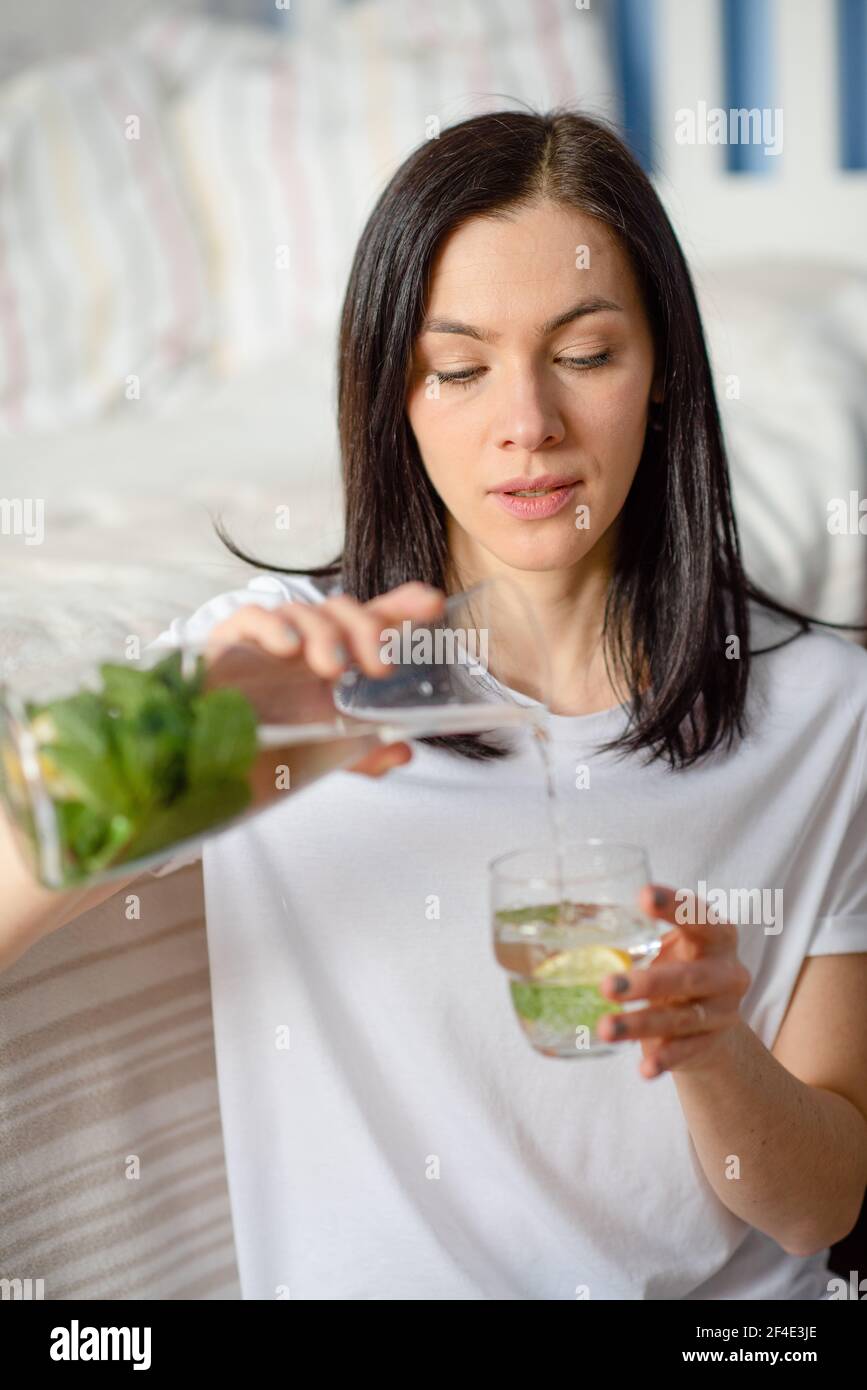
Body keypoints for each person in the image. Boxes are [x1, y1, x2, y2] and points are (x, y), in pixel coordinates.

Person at [5, 109, 867, 1300]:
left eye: (585, 353)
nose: (528, 423)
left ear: (663, 369)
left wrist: (713, 1050)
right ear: (394, 397)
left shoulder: (827, 711)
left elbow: (826, 1197)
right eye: (458, 368)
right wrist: (190, 761)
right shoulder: (288, 674)